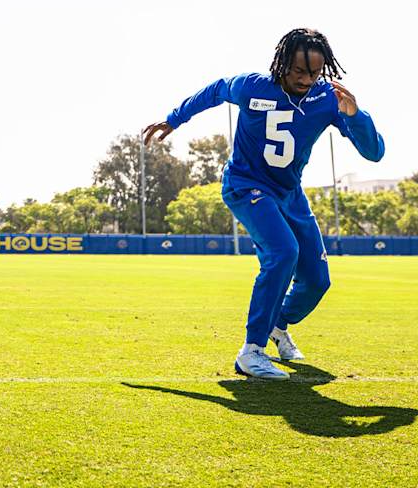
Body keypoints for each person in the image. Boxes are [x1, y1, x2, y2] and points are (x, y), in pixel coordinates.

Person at [142, 28, 385, 380]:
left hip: (290, 194)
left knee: (317, 281)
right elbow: (215, 90)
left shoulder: (328, 99)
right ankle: (251, 351)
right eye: (299, 71)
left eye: (314, 73)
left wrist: (354, 115)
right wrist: (175, 118)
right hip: (247, 185)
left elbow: (374, 153)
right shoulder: (252, 86)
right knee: (283, 252)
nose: (306, 79)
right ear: (283, 63)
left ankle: (278, 325)